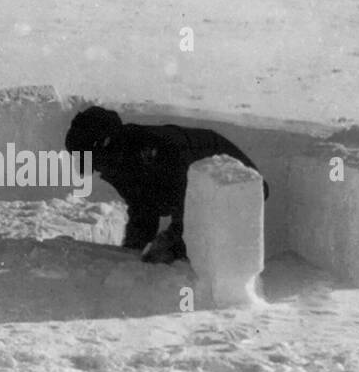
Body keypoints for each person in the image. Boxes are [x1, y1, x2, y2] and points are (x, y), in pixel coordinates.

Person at [64, 106, 267, 263]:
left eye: (90, 159)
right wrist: (134, 251)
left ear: (105, 144)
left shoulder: (155, 151)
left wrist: (172, 242)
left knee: (186, 252)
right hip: (194, 189)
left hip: (233, 176)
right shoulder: (118, 160)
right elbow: (142, 208)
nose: (94, 168)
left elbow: (187, 202)